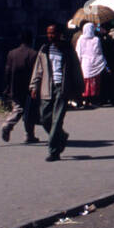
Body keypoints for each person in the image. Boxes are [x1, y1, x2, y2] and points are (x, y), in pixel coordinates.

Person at [30, 23, 83, 161]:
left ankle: (54, 151)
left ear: (60, 34)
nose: (50, 36)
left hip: (62, 88)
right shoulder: (44, 49)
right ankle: (62, 136)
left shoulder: (68, 50)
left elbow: (76, 70)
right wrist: (34, 86)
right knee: (44, 118)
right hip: (47, 88)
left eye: (52, 33)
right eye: (48, 33)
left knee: (57, 121)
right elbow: (38, 69)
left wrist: (78, 90)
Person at [0, 30, 39, 143]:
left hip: (14, 86)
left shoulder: (12, 53)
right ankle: (10, 126)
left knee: (19, 107)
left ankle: (30, 135)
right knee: (26, 110)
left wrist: (7, 87)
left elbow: (7, 71)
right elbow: (35, 72)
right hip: (28, 87)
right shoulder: (33, 54)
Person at [76, 22, 108, 108]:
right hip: (95, 63)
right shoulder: (96, 39)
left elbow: (78, 52)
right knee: (94, 82)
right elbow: (99, 52)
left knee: (85, 81)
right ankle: (93, 100)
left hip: (84, 64)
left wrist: (77, 63)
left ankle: (85, 100)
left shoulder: (80, 39)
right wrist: (104, 63)